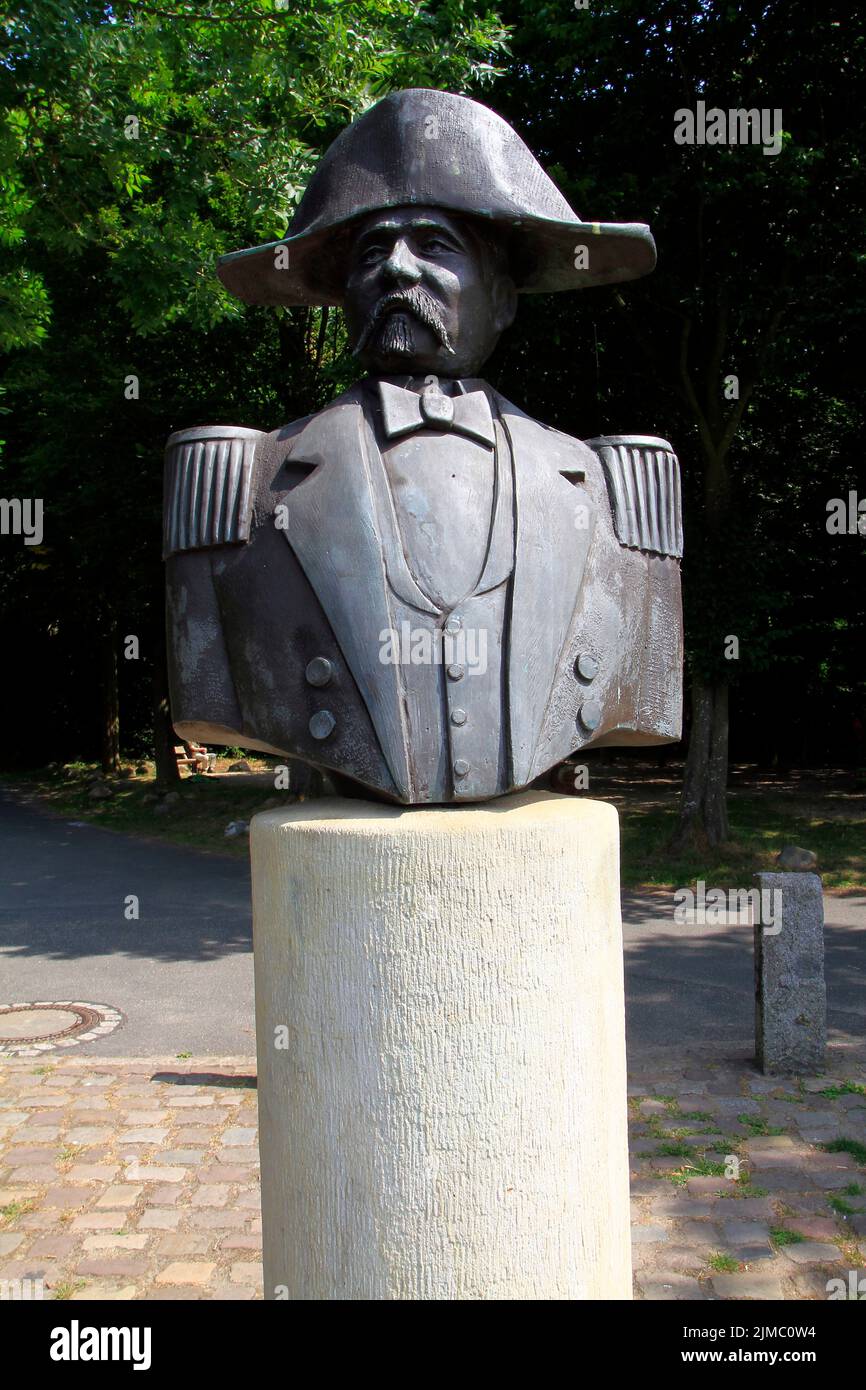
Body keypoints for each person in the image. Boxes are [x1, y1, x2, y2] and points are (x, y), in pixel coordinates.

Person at [164, 89, 682, 805]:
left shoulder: (611, 484)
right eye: (373, 250)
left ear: (503, 298)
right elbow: (213, 695)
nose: (398, 269)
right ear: (344, 292)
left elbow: (645, 697)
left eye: (434, 244)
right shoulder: (239, 478)